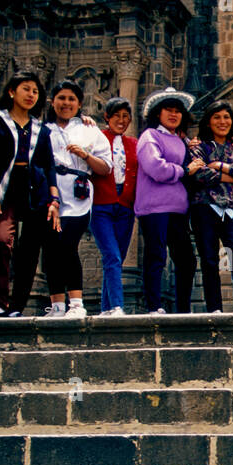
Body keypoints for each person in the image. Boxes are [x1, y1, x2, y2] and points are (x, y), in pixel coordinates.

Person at [0, 71, 59, 317]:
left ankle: (17, 307)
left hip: (36, 190)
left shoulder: (42, 130)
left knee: (29, 251)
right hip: (6, 187)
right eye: (26, 89)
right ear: (12, 91)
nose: (31, 95)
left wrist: (54, 199)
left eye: (35, 91)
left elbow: (49, 166)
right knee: (2, 240)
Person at [42, 80, 110, 319]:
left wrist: (86, 155)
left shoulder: (89, 129)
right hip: (50, 193)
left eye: (71, 99)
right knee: (50, 249)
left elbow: (105, 167)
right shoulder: (44, 129)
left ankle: (76, 303)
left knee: (68, 245)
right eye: (61, 98)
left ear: (79, 103)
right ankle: (57, 305)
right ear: (53, 101)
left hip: (78, 193)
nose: (66, 103)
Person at [187, 100, 233, 313]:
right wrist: (231, 177)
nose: (222, 122)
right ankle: (214, 308)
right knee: (209, 259)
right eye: (217, 117)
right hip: (204, 208)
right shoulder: (198, 147)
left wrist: (219, 167)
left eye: (226, 117)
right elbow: (199, 174)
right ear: (208, 122)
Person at [135, 87, 198, 314]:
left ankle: (183, 309)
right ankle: (154, 306)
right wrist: (183, 170)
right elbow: (156, 168)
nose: (174, 114)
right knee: (156, 256)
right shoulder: (149, 136)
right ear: (157, 114)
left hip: (178, 209)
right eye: (168, 110)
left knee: (187, 261)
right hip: (154, 208)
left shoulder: (182, 141)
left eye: (178, 111)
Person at [89, 97, 139, 316]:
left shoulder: (133, 144)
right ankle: (117, 306)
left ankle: (105, 309)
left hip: (125, 205)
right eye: (116, 115)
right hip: (101, 204)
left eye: (125, 116)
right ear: (107, 117)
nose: (121, 120)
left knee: (115, 258)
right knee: (113, 256)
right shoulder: (97, 137)